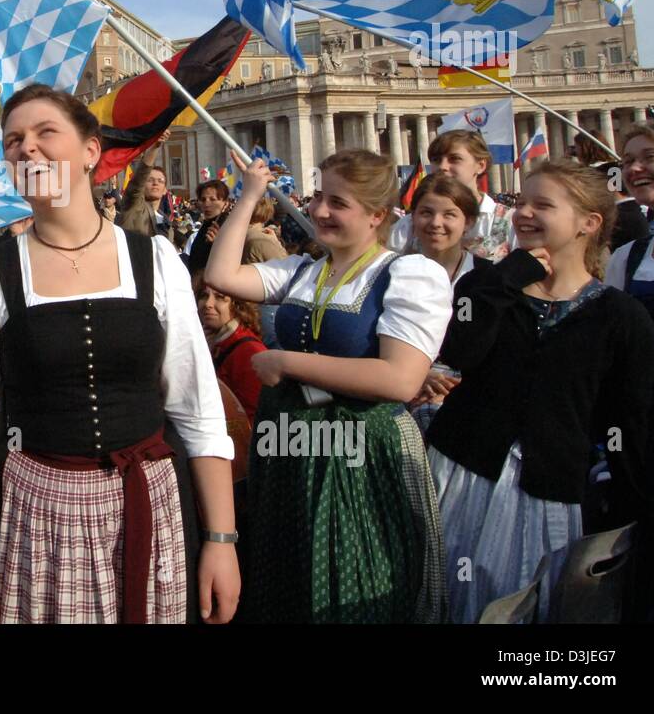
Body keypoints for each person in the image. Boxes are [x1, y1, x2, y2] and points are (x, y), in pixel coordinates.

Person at [0, 84, 238, 624]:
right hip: (40, 512)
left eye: (44, 133)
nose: (25, 148)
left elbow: (197, 410)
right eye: (13, 141)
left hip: (150, 503)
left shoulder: (155, 258)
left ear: (90, 152)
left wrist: (221, 537)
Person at [204, 149, 451, 623]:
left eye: (338, 202)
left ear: (377, 215)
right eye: (319, 196)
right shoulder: (303, 270)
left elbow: (399, 378)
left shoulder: (408, 275)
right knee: (292, 580)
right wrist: (250, 193)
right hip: (293, 452)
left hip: (360, 452)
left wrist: (287, 361)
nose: (319, 210)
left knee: (354, 581)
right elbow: (221, 275)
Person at [429, 159, 654, 623]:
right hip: (462, 472)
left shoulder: (622, 317)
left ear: (588, 224)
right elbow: (461, 352)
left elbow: (626, 422)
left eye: (543, 205)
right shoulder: (485, 286)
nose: (524, 213)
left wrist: (632, 509)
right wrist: (506, 277)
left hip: (549, 487)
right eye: (522, 202)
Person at [606, 121, 654, 618]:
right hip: (645, 433)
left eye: (649, 156)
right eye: (628, 160)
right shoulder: (629, 258)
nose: (635, 168)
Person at [401, 173, 480, 436]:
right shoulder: (392, 273)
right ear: (412, 218)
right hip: (403, 397)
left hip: (466, 401)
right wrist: (417, 375)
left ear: (467, 222)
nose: (436, 223)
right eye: (425, 213)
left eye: (449, 214)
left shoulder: (488, 280)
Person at [389, 130, 514, 260]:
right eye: (436, 160)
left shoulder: (509, 221)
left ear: (481, 166)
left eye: (454, 159)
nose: (442, 166)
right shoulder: (409, 225)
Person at [193, 271, 266, 424]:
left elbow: (254, 420)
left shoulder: (249, 352)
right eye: (203, 296)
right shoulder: (205, 341)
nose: (208, 304)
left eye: (220, 297)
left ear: (238, 306)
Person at [118, 130, 177, 243]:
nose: (156, 183)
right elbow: (141, 175)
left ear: (165, 190)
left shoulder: (167, 223)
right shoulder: (133, 206)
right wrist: (155, 146)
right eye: (150, 180)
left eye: (160, 181)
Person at [185, 179, 231, 274]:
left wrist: (217, 245)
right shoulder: (207, 224)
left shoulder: (228, 226)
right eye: (203, 199)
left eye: (213, 199)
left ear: (225, 203)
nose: (207, 204)